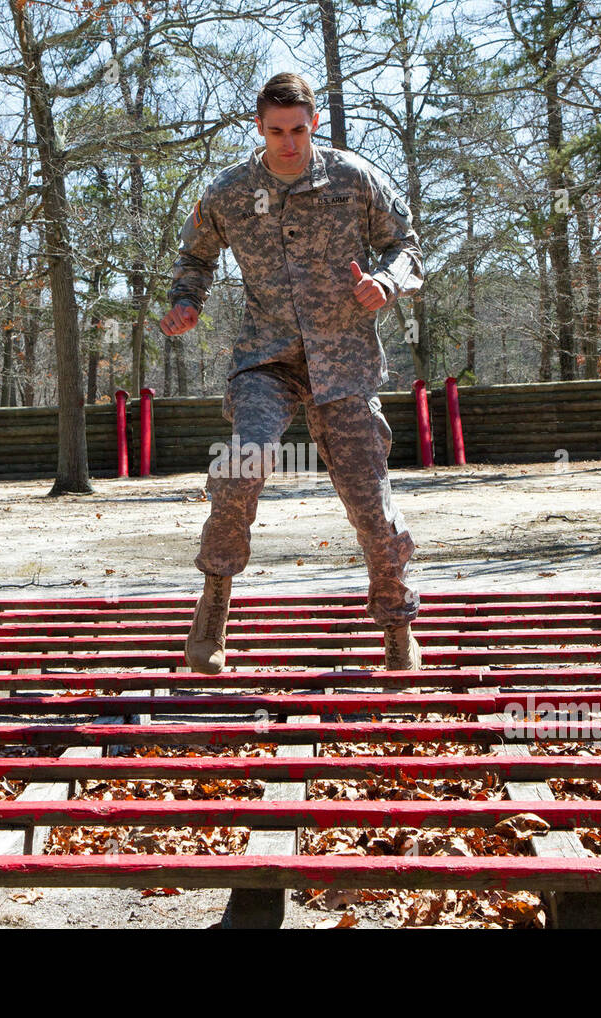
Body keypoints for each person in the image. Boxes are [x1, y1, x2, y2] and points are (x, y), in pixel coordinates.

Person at [161, 72, 425, 674]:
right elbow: (194, 257)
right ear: (259, 126)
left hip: (345, 363)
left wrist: (385, 283)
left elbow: (406, 245)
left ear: (312, 125)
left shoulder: (354, 179)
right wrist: (186, 303)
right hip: (267, 359)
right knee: (241, 466)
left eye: (298, 131)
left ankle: (397, 623)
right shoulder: (228, 191)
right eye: (276, 131)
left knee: (371, 502)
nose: (288, 143)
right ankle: (214, 605)